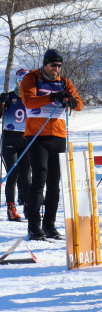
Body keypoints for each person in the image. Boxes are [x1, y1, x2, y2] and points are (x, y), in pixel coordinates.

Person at [20, 49, 84, 241]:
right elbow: (29, 102)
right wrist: (52, 97)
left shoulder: (64, 82)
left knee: (54, 183)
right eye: (53, 66)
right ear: (45, 63)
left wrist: (71, 100)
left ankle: (49, 225)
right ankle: (33, 226)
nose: (56, 69)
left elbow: (80, 104)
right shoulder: (31, 78)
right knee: (39, 179)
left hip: (57, 134)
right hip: (36, 135)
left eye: (59, 66)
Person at [1, 69, 30, 221]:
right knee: (13, 174)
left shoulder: (32, 97)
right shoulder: (9, 97)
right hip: (9, 139)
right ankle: (11, 208)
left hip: (26, 139)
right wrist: (0, 102)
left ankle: (28, 206)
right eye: (21, 80)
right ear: (17, 81)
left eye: (26, 80)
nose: (23, 83)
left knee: (26, 175)